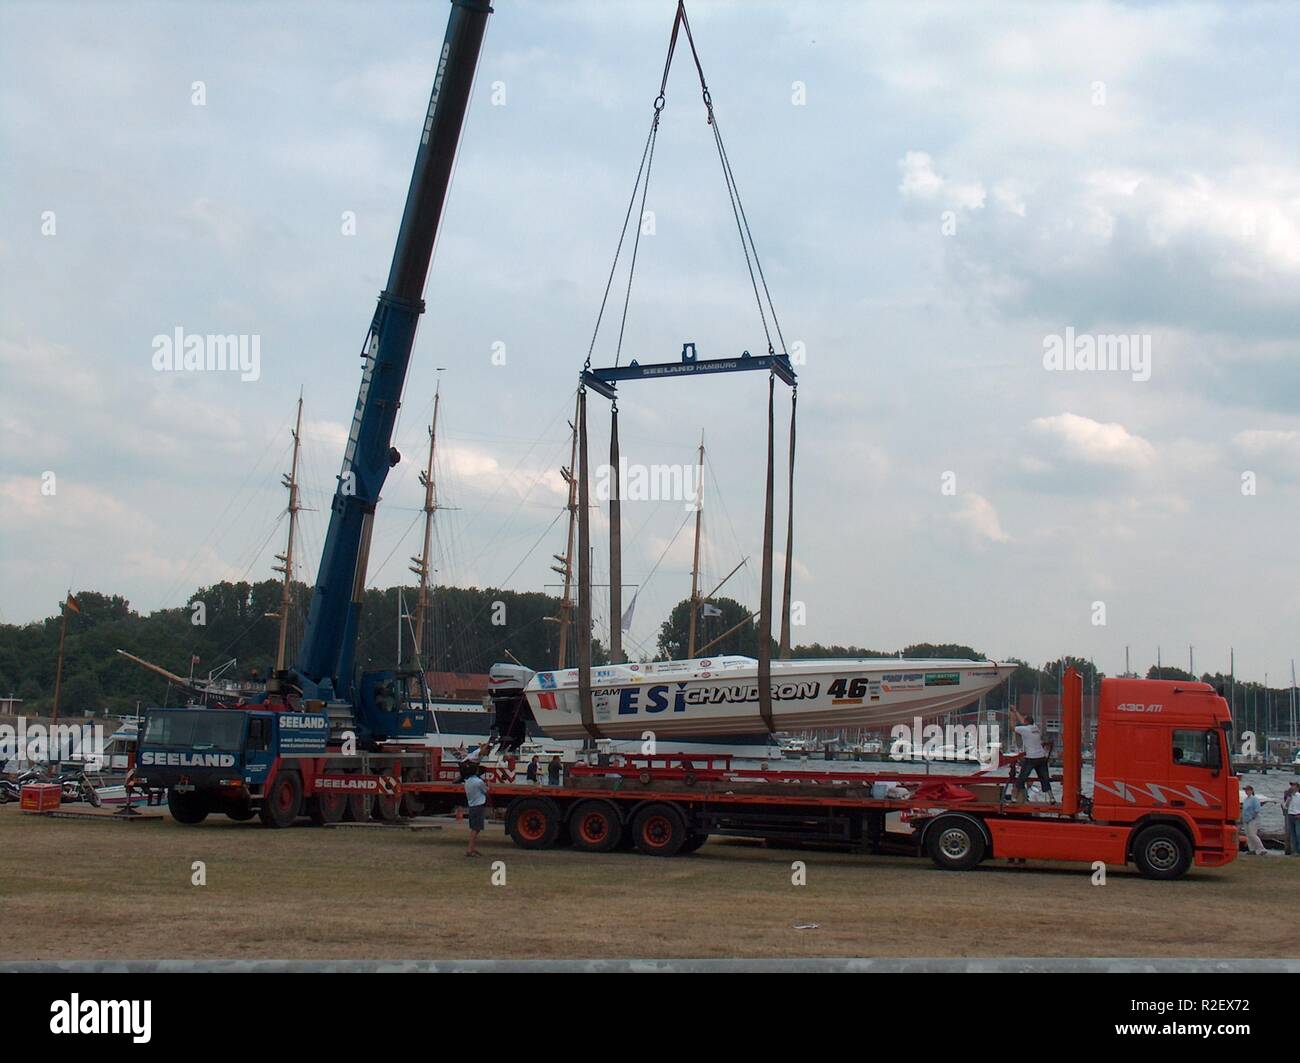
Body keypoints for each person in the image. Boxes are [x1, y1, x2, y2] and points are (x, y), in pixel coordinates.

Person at [1010, 709, 1053, 803]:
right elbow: (1023, 720)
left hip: (1031, 758)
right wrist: (1016, 711)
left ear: (1026, 722)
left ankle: (1014, 797)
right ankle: (1051, 797)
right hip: (1041, 757)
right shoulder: (1035, 728)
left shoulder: (1024, 729)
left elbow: (1013, 728)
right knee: (1044, 778)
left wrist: (1012, 717)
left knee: (1022, 777)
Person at [464, 765, 489, 857]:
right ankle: (470, 849)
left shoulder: (467, 782)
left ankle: (472, 848)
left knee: (475, 828)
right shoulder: (479, 782)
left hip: (472, 805)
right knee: (476, 829)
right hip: (478, 806)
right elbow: (486, 791)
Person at [1241, 785, 1266, 855]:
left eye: (1248, 790)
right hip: (1246, 820)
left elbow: (1257, 810)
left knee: (1252, 834)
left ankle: (1261, 849)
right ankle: (1252, 849)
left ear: (1251, 791)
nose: (1246, 791)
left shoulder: (1255, 799)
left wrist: (1252, 817)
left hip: (1253, 819)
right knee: (1248, 835)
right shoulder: (1245, 800)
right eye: (1246, 790)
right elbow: (1244, 810)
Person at [1285, 782, 1300, 857]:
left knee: (1298, 834)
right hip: (1290, 815)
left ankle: (1299, 850)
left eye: (1294, 786)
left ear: (1297, 788)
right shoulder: (1289, 796)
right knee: (1293, 835)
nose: (1292, 787)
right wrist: (1288, 799)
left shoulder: (1299, 796)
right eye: (1291, 786)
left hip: (1297, 816)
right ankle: (1295, 851)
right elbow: (1286, 807)